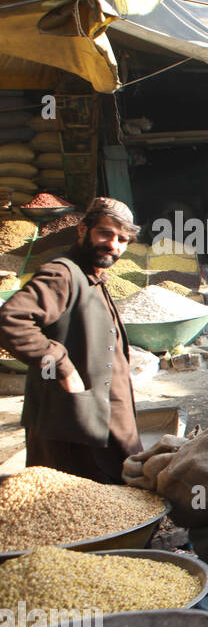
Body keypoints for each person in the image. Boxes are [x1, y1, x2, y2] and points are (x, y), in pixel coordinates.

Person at [0, 198, 142, 483]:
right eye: (105, 233)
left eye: (122, 239)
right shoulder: (62, 273)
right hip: (71, 423)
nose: (113, 245)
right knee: (77, 497)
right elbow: (11, 319)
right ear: (82, 230)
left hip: (97, 415)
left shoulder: (91, 276)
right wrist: (61, 365)